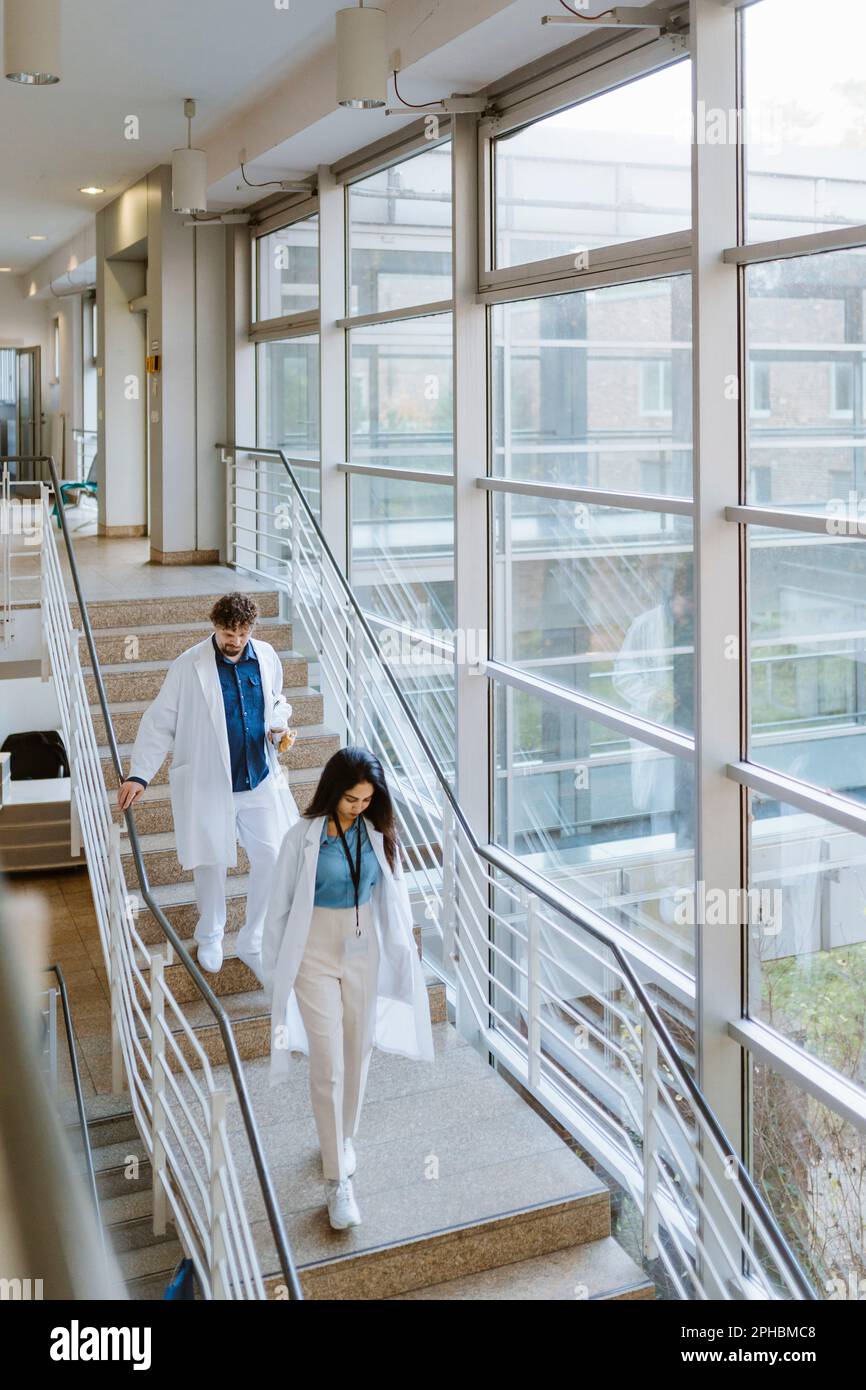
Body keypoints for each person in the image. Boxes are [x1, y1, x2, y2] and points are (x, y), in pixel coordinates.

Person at [260, 747, 434, 1231]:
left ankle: (342, 1138)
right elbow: (278, 908)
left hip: (363, 950)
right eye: (351, 798)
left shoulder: (377, 834)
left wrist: (403, 948)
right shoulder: (302, 838)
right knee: (328, 1060)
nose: (358, 806)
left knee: (358, 1051)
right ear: (333, 790)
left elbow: (392, 897)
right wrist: (278, 971)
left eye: (366, 799)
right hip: (314, 951)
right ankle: (338, 1184)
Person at [115, 592, 299, 974]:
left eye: (243, 632)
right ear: (215, 627)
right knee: (212, 860)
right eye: (229, 632)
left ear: (251, 628)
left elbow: (276, 699)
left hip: (258, 777)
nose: (236, 640)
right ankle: (211, 934)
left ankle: (254, 934)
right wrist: (139, 773)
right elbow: (160, 720)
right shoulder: (188, 666)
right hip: (210, 783)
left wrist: (277, 726)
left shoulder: (265, 656)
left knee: (274, 855)